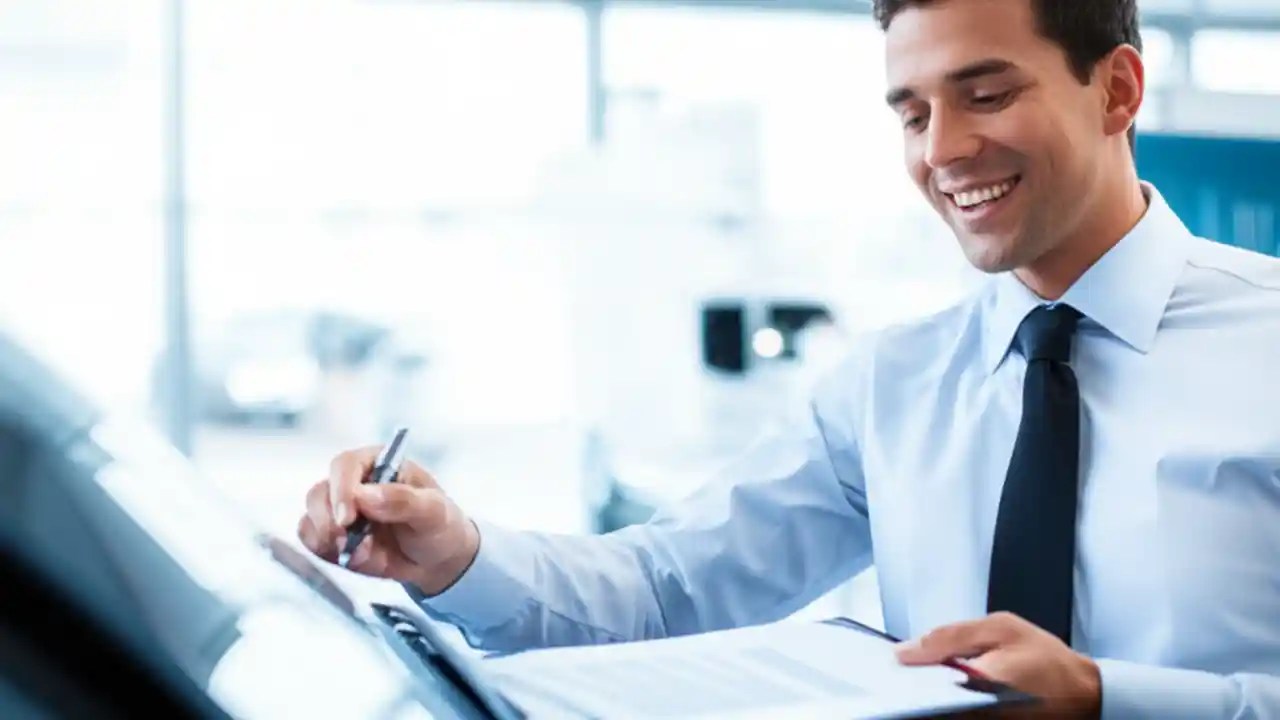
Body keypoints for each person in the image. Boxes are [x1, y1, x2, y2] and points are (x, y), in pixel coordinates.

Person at [299, 0, 1280, 716]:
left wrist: (1108, 698)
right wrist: (456, 554)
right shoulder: (891, 384)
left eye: (984, 93)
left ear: (1115, 90)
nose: (941, 150)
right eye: (910, 113)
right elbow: (663, 589)